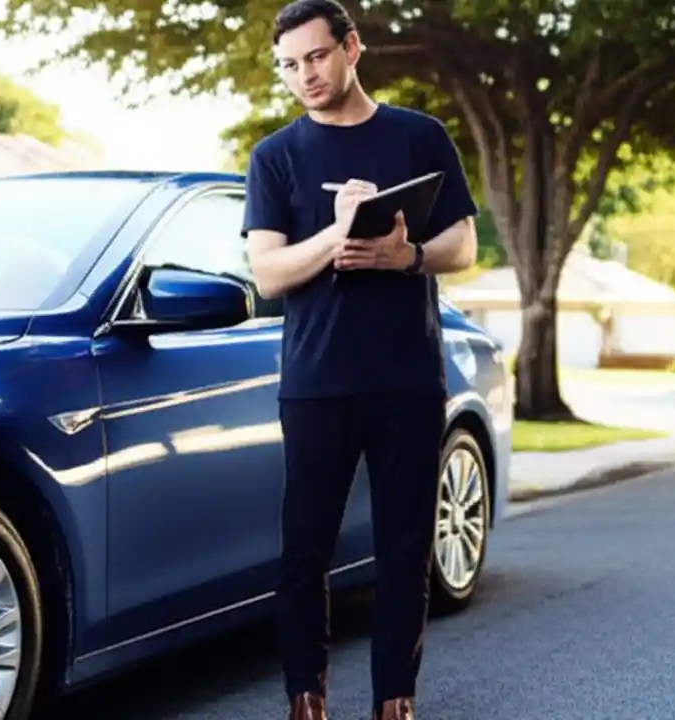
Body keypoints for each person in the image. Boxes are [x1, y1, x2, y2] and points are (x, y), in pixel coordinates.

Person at [239, 1, 479, 719]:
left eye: (315, 57)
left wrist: (406, 256)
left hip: (408, 379)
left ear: (351, 48)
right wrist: (337, 235)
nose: (304, 75)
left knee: (405, 546)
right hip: (316, 384)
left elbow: (464, 246)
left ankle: (394, 700)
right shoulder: (274, 156)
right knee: (303, 550)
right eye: (289, 65)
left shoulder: (419, 136)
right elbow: (268, 273)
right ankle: (305, 696)